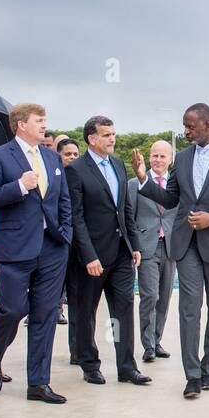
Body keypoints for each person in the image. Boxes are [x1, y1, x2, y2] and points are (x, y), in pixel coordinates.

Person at [133, 103, 209, 399]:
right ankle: (192, 376)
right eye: (184, 126)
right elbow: (171, 198)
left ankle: (208, 368)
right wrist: (143, 180)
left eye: (190, 126)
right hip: (186, 245)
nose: (185, 131)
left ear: (208, 125)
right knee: (189, 309)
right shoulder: (183, 159)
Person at [0, 102, 73, 404]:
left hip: (52, 247)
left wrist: (65, 235)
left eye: (45, 120)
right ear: (21, 124)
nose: (44, 125)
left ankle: (38, 384)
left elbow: (63, 199)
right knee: (14, 310)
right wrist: (18, 186)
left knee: (45, 314)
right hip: (16, 248)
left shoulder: (50, 156)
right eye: (39, 120)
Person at [65, 116, 149, 386]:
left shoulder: (117, 164)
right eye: (106, 135)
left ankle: (127, 367)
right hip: (91, 257)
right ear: (91, 138)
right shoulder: (76, 170)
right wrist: (88, 255)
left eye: (113, 134)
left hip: (121, 253)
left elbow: (124, 209)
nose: (112, 139)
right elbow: (75, 218)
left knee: (123, 310)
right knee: (86, 312)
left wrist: (134, 244)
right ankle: (89, 364)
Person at [130, 140, 177, 362]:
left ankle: (157, 341)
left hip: (169, 246)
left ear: (171, 160)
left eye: (163, 156)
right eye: (154, 156)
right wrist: (133, 246)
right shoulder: (135, 184)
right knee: (150, 295)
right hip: (146, 246)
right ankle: (147, 345)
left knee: (164, 297)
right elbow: (129, 217)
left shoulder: (176, 185)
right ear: (149, 158)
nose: (158, 160)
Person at [55, 137, 80, 341]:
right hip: (56, 243)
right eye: (67, 154)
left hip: (78, 246)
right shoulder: (53, 178)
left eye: (75, 154)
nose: (71, 157)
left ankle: (77, 349)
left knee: (77, 299)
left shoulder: (81, 177)